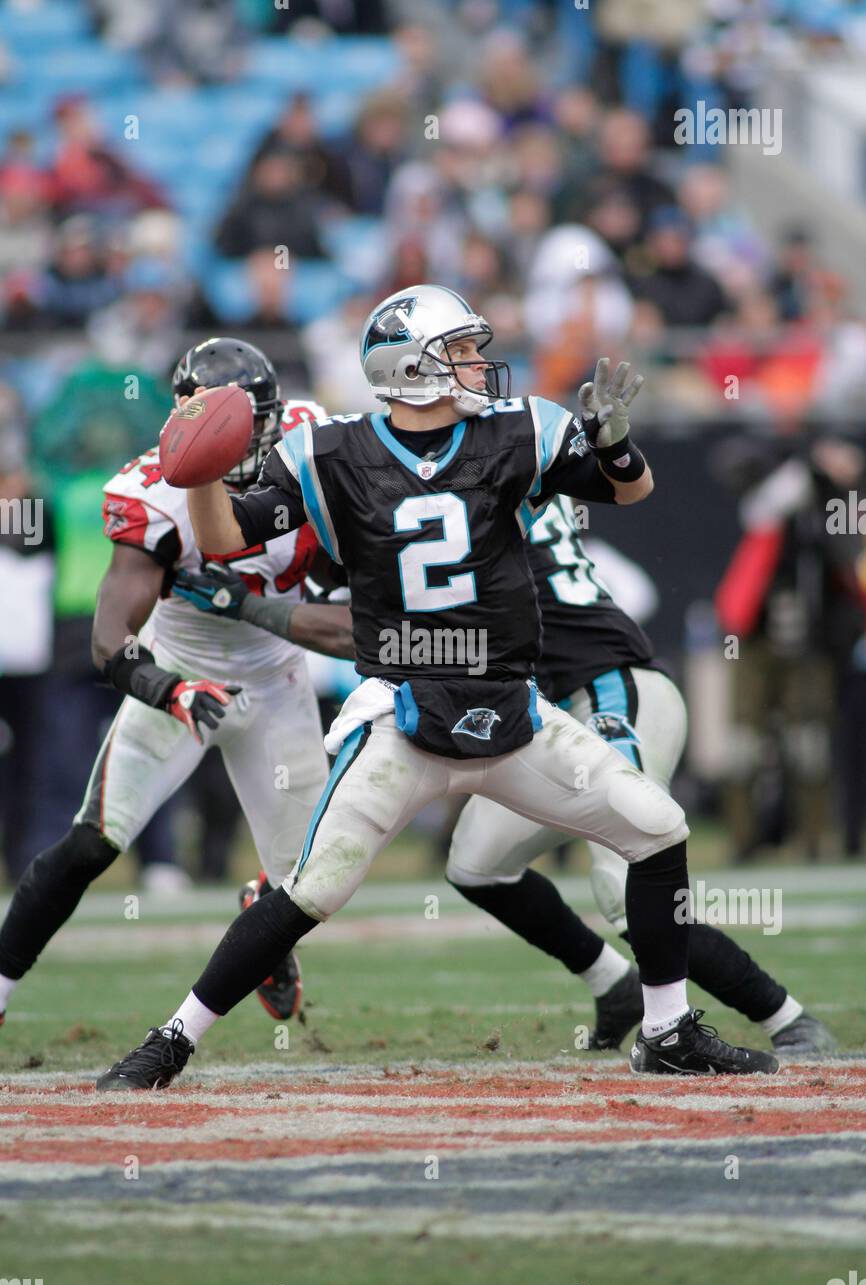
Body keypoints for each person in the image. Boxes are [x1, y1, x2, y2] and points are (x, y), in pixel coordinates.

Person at [96, 284, 781, 1091]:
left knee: (657, 829)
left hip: (514, 710)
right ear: (412, 366)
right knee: (308, 890)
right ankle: (171, 1041)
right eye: (457, 350)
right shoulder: (332, 452)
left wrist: (617, 444)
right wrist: (201, 472)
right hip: (402, 712)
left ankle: (667, 1030)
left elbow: (628, 489)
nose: (476, 364)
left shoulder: (518, 429)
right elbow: (219, 536)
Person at [175, 473, 834, 1059]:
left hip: (607, 688)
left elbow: (363, 621)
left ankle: (786, 1018)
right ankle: (615, 986)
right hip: (539, 712)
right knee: (476, 864)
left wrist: (250, 603)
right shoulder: (462, 489)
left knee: (626, 876)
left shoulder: (463, 498)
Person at [0, 339, 352, 1029]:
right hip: (183, 674)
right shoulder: (152, 493)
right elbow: (109, 641)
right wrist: (169, 690)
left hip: (277, 677)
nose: (246, 438)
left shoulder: (314, 441)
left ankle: (263, 910)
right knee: (92, 843)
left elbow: (347, 610)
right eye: (228, 423)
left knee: (312, 884)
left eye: (256, 420)